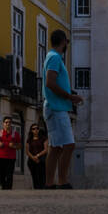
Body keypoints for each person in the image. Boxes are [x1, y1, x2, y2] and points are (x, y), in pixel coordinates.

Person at [43, 29, 84, 189]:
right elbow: (50, 83)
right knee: (68, 144)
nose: (67, 44)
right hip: (56, 107)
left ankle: (49, 183)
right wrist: (70, 97)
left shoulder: (52, 57)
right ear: (62, 42)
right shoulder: (54, 58)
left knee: (56, 147)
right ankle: (62, 181)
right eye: (67, 41)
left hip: (55, 106)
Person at [0, 116, 21, 189]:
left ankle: (8, 189)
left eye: (9, 122)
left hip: (11, 158)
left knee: (9, 175)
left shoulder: (15, 134)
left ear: (11, 124)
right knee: (1, 174)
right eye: (6, 122)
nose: (8, 124)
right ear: (3, 124)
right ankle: (3, 188)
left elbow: (20, 146)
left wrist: (13, 146)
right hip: (1, 157)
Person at [25, 122, 48, 189]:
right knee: (34, 177)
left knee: (41, 177)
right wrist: (33, 157)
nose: (36, 130)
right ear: (31, 130)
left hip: (41, 160)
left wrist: (37, 156)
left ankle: (42, 190)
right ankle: (36, 190)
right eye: (33, 129)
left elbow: (46, 149)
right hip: (32, 161)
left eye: (37, 128)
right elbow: (27, 151)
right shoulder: (29, 140)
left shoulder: (43, 138)